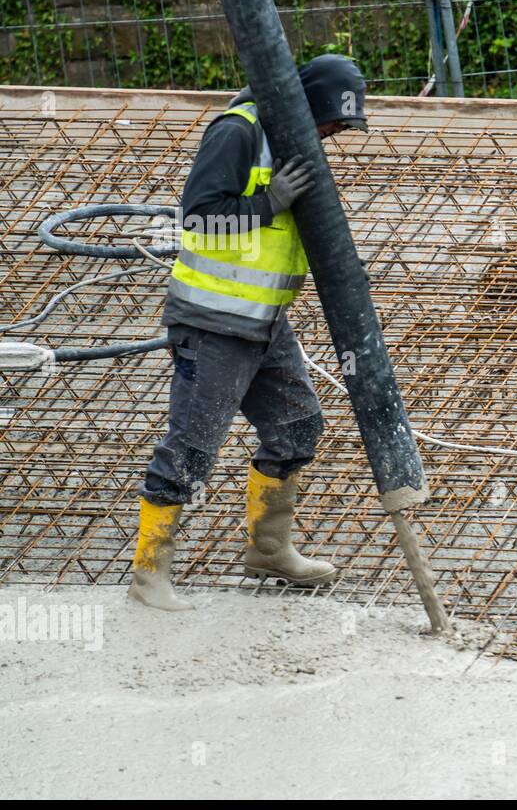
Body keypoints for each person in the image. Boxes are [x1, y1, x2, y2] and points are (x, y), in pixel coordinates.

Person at [129, 54, 369, 611]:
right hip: (213, 323)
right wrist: (270, 202)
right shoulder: (239, 132)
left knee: (298, 426)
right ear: (303, 105)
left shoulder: (294, 141)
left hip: (264, 321)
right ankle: (148, 575)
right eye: (330, 122)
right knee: (192, 447)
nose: (332, 134)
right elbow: (198, 216)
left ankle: (268, 550)